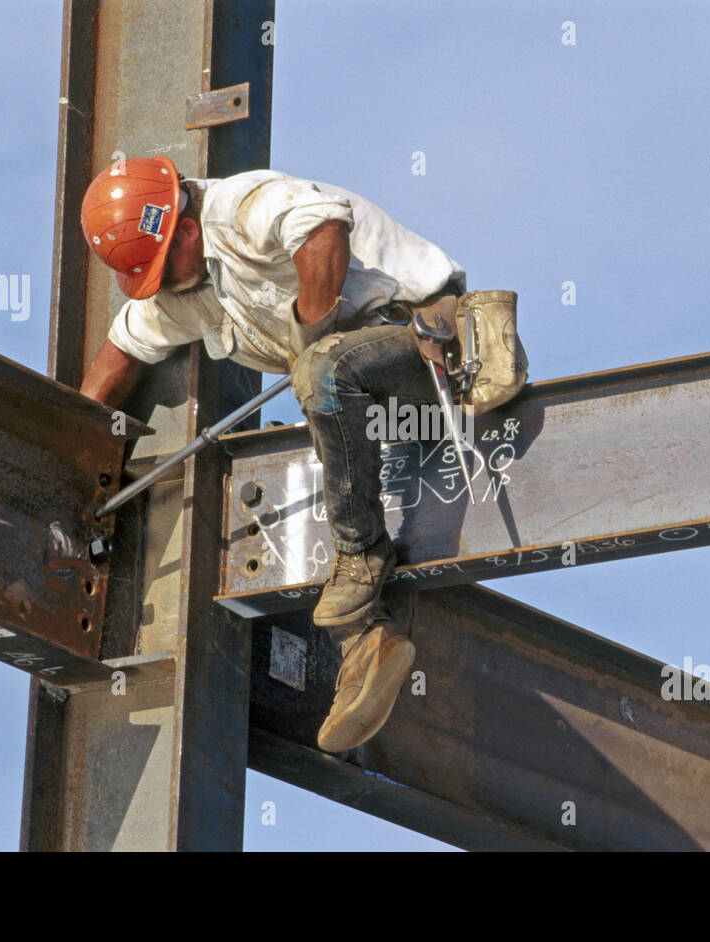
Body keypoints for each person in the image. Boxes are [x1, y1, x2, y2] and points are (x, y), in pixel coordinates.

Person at [77, 156, 467, 752]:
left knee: (321, 372)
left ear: (183, 226)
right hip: (366, 398)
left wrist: (314, 344)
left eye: (161, 267)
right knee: (319, 423)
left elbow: (321, 230)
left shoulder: (241, 207)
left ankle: (362, 557)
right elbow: (121, 352)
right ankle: (366, 642)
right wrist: (75, 454)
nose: (160, 284)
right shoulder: (182, 286)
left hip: (431, 343)